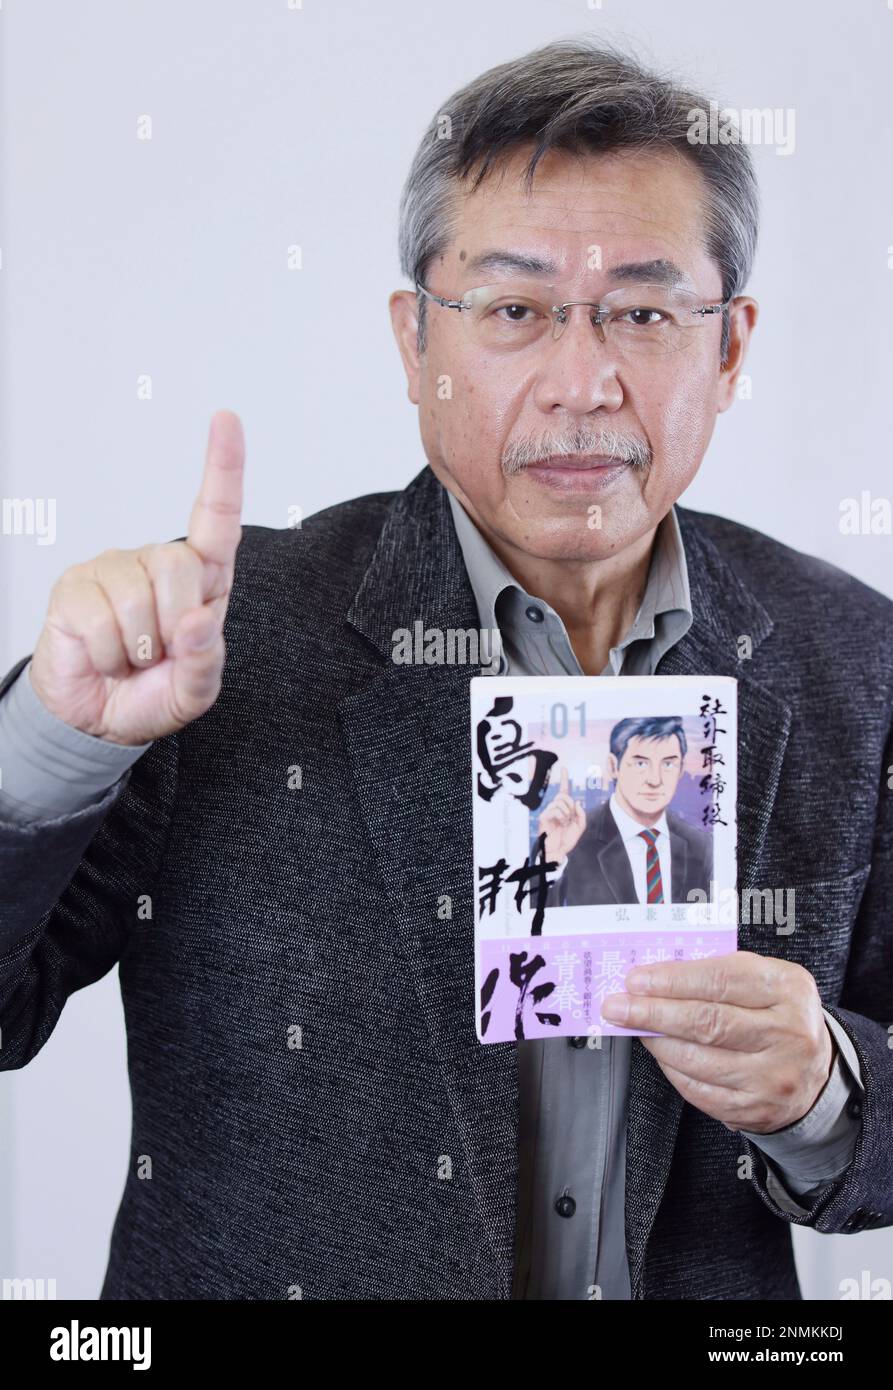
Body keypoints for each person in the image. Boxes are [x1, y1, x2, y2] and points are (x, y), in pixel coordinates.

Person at [1, 39, 890, 1301]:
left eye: (642, 311)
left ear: (729, 348)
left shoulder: (852, 656)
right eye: (513, 309)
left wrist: (824, 1092)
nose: (580, 384)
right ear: (416, 337)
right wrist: (53, 741)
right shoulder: (222, 635)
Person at [540, 717, 714, 907]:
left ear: (681, 769)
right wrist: (550, 861)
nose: (655, 780)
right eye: (641, 764)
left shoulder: (701, 845)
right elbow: (532, 925)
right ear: (614, 767)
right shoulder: (572, 839)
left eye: (668, 764)